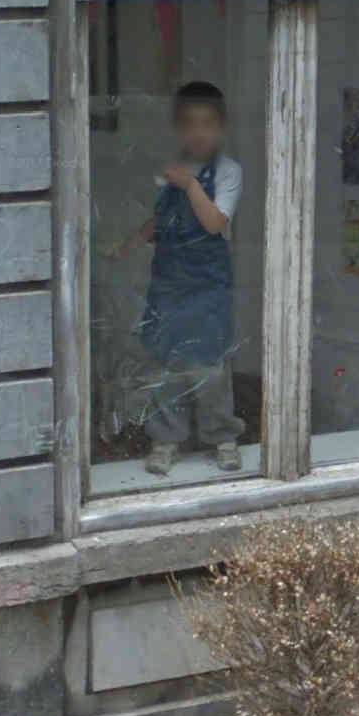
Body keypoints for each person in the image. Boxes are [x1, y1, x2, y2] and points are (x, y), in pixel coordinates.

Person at [112, 81, 248, 475]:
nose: (198, 132)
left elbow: (213, 221)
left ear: (222, 128)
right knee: (164, 362)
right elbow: (161, 219)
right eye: (189, 124)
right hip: (169, 283)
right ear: (177, 129)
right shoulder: (169, 172)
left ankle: (221, 436)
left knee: (209, 365)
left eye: (207, 124)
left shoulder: (228, 172)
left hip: (207, 284)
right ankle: (166, 439)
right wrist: (131, 243)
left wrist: (189, 185)